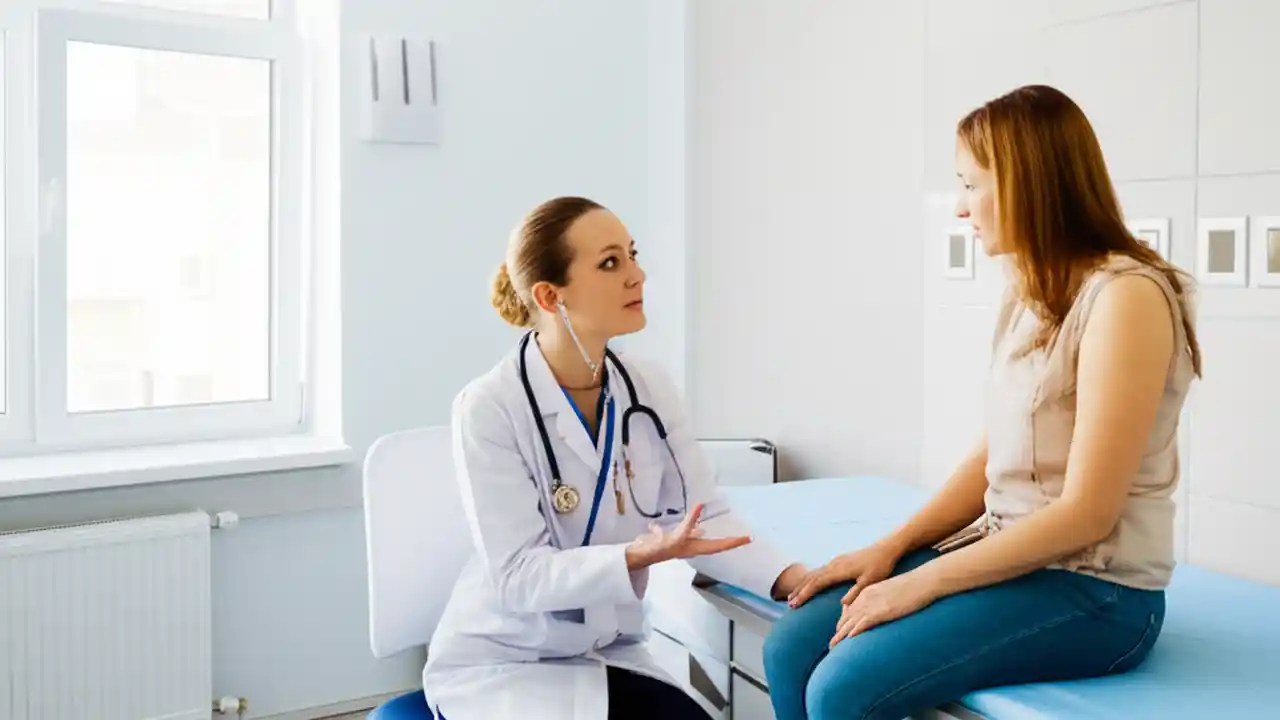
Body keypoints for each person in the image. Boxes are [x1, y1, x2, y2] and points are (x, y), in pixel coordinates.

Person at [762, 84, 1202, 720]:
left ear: (1027, 183)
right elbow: (999, 447)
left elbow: (1087, 514)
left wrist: (917, 584)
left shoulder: (1126, 298)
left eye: (971, 185)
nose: (961, 208)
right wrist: (892, 548)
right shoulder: (1032, 288)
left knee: (842, 687)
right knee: (791, 647)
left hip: (1099, 591)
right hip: (1007, 550)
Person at [422, 196, 808, 720]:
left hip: (609, 653)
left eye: (632, 255)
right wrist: (635, 557)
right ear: (549, 295)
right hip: (506, 660)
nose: (638, 275)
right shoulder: (489, 407)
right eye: (611, 263)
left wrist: (796, 580)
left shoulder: (647, 386)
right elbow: (518, 577)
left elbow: (704, 519)